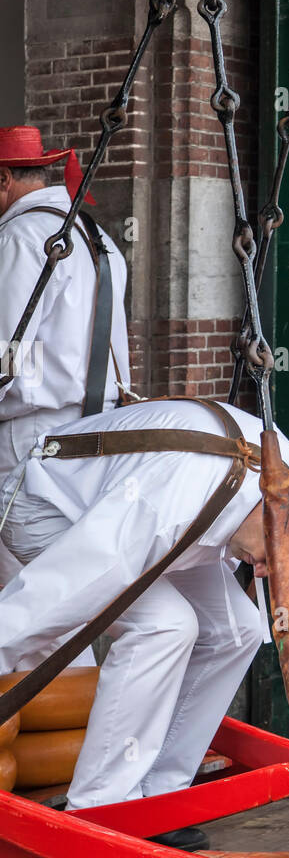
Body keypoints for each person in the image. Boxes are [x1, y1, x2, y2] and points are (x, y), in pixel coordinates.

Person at [0, 398, 289, 834]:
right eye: (272, 554)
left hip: (175, 524)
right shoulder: (168, 503)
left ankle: (161, 794)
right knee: (166, 625)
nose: (266, 571)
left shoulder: (279, 476)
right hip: (47, 510)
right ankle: (101, 810)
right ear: (269, 511)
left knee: (240, 630)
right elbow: (50, 597)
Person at [0, 125, 130, 613]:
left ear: (4, 178)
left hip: (29, 435)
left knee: (31, 597)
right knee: (68, 591)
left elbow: (6, 351)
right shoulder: (96, 234)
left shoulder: (19, 235)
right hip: (94, 430)